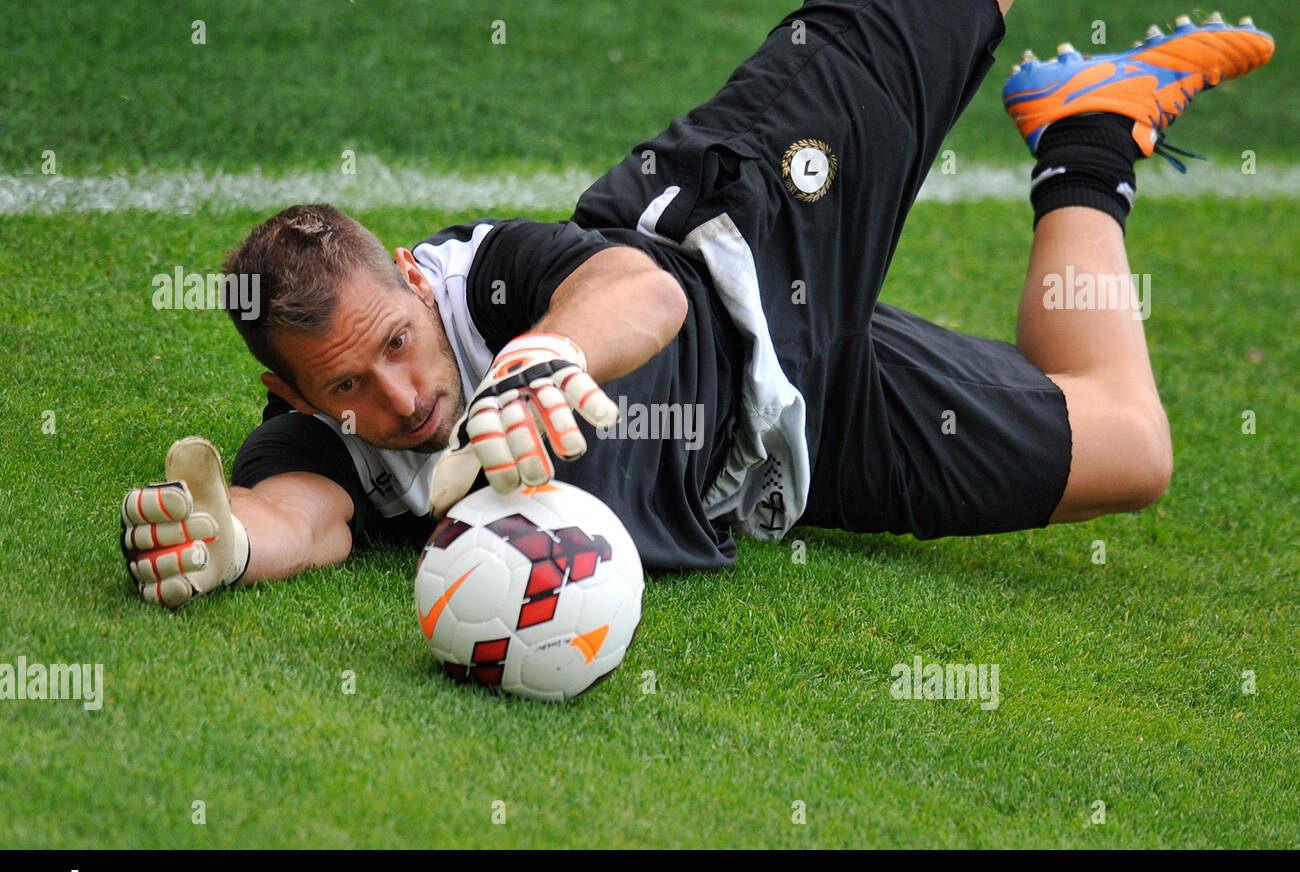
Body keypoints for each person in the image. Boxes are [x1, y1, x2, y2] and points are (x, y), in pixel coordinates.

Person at [120, 1, 1273, 608]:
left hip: (750, 229)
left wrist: (544, 358)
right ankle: (1087, 136)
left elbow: (640, 289)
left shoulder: (481, 280)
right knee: (1132, 450)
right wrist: (221, 544)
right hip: (788, 435)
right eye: (348, 390)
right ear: (293, 395)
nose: (405, 395)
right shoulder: (319, 444)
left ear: (416, 288)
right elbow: (300, 523)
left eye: (398, 346)